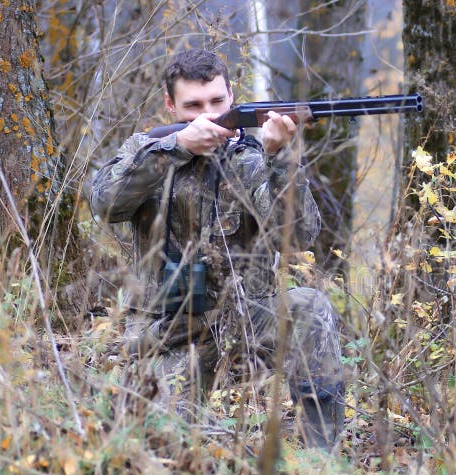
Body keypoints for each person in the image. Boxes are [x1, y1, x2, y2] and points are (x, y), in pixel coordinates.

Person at [87, 49, 345, 449]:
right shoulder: (147, 150)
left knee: (311, 307)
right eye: (193, 106)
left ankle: (323, 464)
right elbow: (105, 203)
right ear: (170, 105)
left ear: (232, 99)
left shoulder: (250, 158)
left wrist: (281, 158)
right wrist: (177, 148)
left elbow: (296, 236)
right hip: (168, 330)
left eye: (217, 103)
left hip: (246, 318)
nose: (207, 114)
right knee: (162, 448)